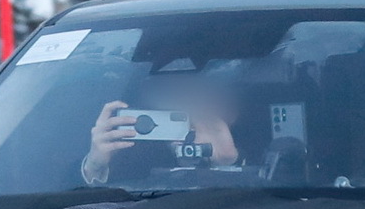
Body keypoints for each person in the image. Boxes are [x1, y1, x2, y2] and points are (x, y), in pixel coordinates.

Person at [80, 73, 245, 186]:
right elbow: (81, 200)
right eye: (174, 94)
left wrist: (227, 164)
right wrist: (94, 166)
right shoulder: (127, 146)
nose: (187, 103)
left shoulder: (257, 143)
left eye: (195, 94)